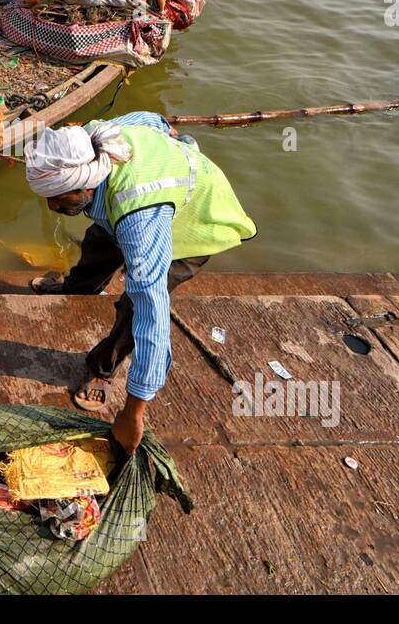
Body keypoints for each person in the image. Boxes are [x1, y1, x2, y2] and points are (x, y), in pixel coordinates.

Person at [22, 112, 256, 455]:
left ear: (88, 183)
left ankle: (103, 368)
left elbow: (154, 311)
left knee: (134, 306)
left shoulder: (138, 218)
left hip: (196, 224)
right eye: (48, 196)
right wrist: (165, 127)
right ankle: (78, 288)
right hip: (134, 202)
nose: (52, 206)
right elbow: (149, 119)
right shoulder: (91, 137)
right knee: (98, 244)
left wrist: (134, 411)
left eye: (60, 198)